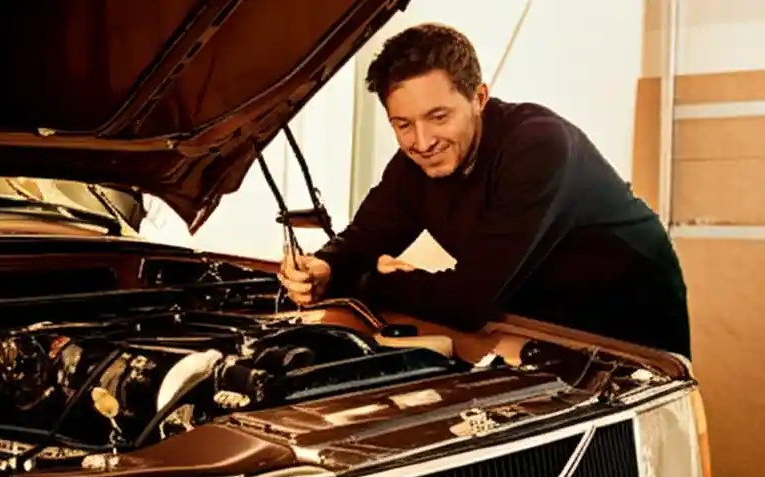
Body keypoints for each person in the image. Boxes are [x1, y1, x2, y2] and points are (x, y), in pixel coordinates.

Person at [278, 23, 691, 358]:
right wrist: (325, 268)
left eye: (439, 117)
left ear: (479, 98)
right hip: (531, 311)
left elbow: (467, 301)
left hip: (628, 318)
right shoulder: (412, 164)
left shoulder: (538, 145)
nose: (422, 141)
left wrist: (368, 283)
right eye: (402, 124)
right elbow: (364, 238)